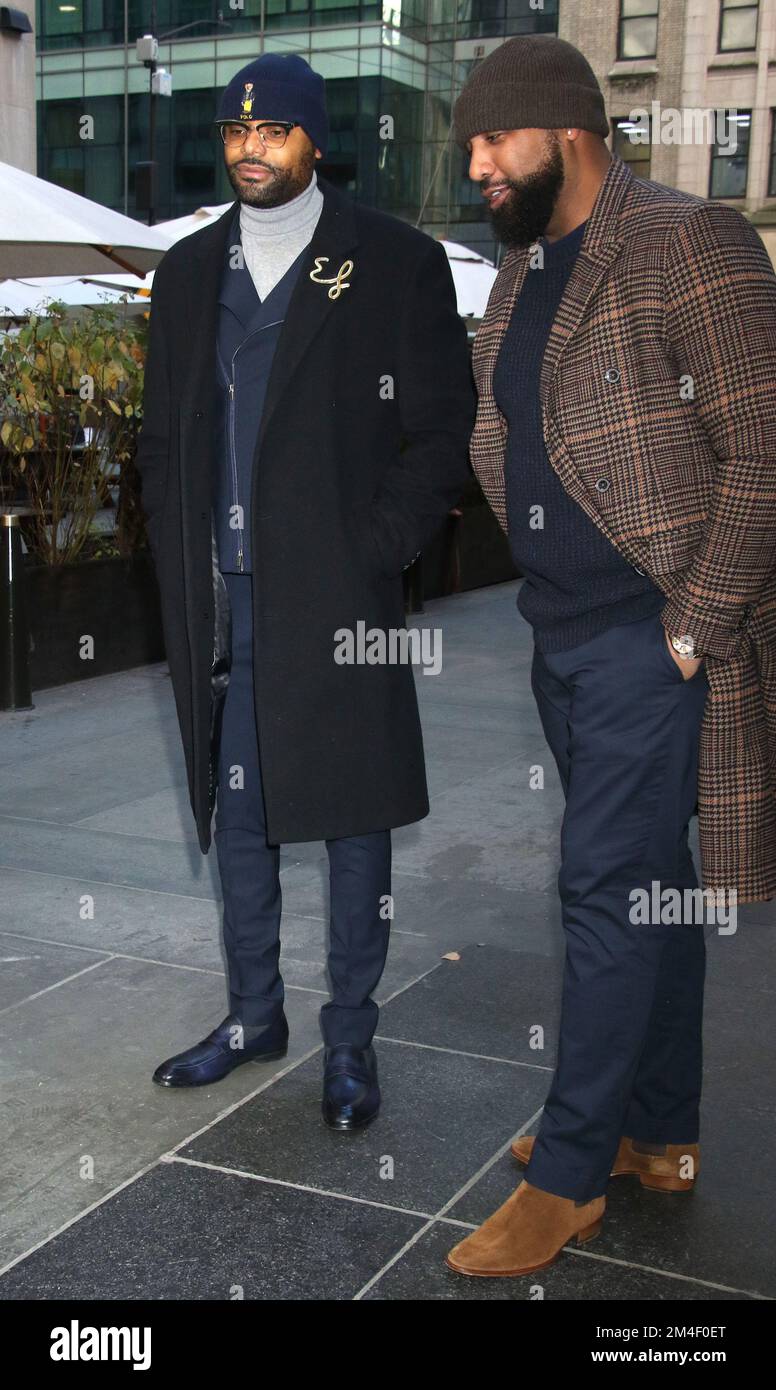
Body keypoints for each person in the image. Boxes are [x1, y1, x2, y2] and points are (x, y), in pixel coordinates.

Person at [444, 34, 776, 1278]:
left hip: (651, 634)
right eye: (468, 144)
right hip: (560, 633)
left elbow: (762, 450)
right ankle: (661, 1131)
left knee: (601, 890)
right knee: (648, 886)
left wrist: (690, 628)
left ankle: (573, 1173)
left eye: (491, 139)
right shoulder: (519, 268)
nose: (474, 163)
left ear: (568, 132)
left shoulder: (686, 243)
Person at [135, 53, 475, 1131]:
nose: (251, 147)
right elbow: (158, 439)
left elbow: (438, 433)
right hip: (222, 599)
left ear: (312, 142)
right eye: (237, 131)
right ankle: (250, 1018)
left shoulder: (391, 261)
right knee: (239, 817)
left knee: (353, 823)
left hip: (338, 603)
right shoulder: (187, 274)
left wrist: (373, 550)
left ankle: (350, 1040)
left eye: (274, 131)